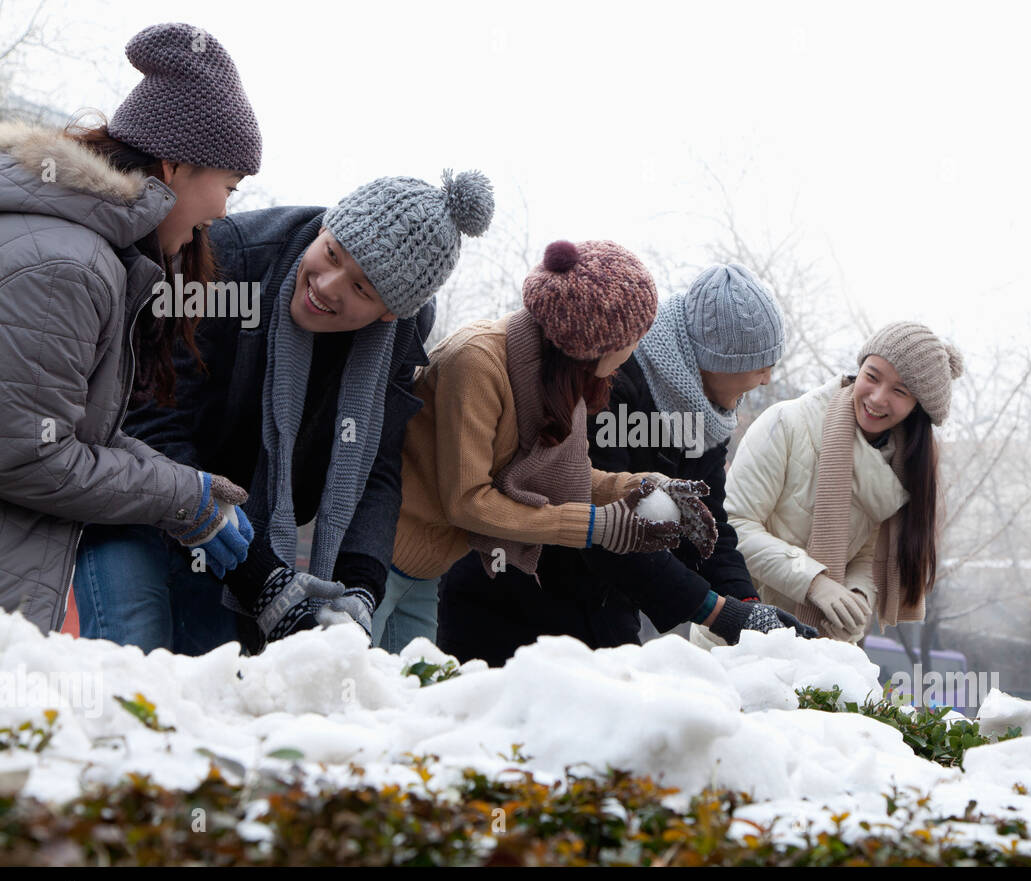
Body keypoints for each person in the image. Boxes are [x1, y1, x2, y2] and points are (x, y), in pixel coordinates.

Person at [74, 171, 493, 654]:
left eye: (361, 288)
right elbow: (150, 416)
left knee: (216, 674)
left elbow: (377, 465)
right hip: (139, 494)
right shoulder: (231, 257)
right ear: (325, 228)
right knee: (133, 651)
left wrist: (361, 586)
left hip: (236, 534)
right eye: (332, 254)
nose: (327, 286)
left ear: (388, 313)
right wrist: (260, 576)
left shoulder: (401, 333)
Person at [0, 23, 261, 635]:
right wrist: (182, 498)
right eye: (227, 186)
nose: (224, 210)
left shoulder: (84, 251)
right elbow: (31, 456)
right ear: (174, 165)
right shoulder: (69, 268)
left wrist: (192, 488)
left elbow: (66, 427)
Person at [433, 263, 816, 660]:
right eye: (759, 366)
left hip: (605, 602)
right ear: (715, 360)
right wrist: (717, 611)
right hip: (514, 592)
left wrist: (748, 605)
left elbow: (707, 522)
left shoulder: (707, 414)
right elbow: (605, 516)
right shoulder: (610, 375)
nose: (767, 379)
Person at [372, 239, 716, 663]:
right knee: (356, 695)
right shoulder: (478, 362)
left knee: (410, 694)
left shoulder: (554, 378)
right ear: (602, 343)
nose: (636, 349)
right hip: (379, 564)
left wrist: (645, 486)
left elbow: (570, 477)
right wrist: (595, 526)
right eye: (635, 337)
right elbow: (468, 501)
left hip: (424, 571)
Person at [727, 322, 963, 641]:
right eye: (872, 376)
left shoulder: (900, 469)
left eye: (899, 391)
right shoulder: (787, 423)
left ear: (916, 406)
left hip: (820, 651)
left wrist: (857, 599)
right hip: (738, 635)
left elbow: (868, 556)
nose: (877, 398)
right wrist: (814, 582)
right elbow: (734, 526)